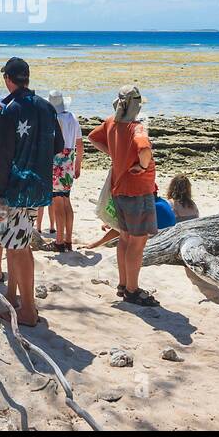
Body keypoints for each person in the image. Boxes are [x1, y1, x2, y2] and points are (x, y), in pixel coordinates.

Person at [0, 57, 62, 327]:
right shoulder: (46, 107)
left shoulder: (10, 110)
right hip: (38, 185)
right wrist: (37, 158)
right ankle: (12, 299)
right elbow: (59, 145)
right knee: (16, 244)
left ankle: (28, 310)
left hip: (16, 188)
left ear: (8, 79)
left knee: (18, 249)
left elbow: (3, 156)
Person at [88, 85, 160, 307]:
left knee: (126, 237)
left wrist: (116, 154)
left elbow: (92, 137)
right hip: (137, 190)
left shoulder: (112, 122)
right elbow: (145, 150)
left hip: (119, 188)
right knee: (137, 243)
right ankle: (132, 290)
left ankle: (123, 284)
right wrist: (141, 164)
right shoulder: (136, 128)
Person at [46, 89, 83, 252]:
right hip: (69, 159)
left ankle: (59, 241)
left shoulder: (51, 119)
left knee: (57, 201)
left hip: (55, 159)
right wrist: (78, 165)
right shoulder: (72, 117)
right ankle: (68, 240)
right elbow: (80, 144)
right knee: (66, 200)